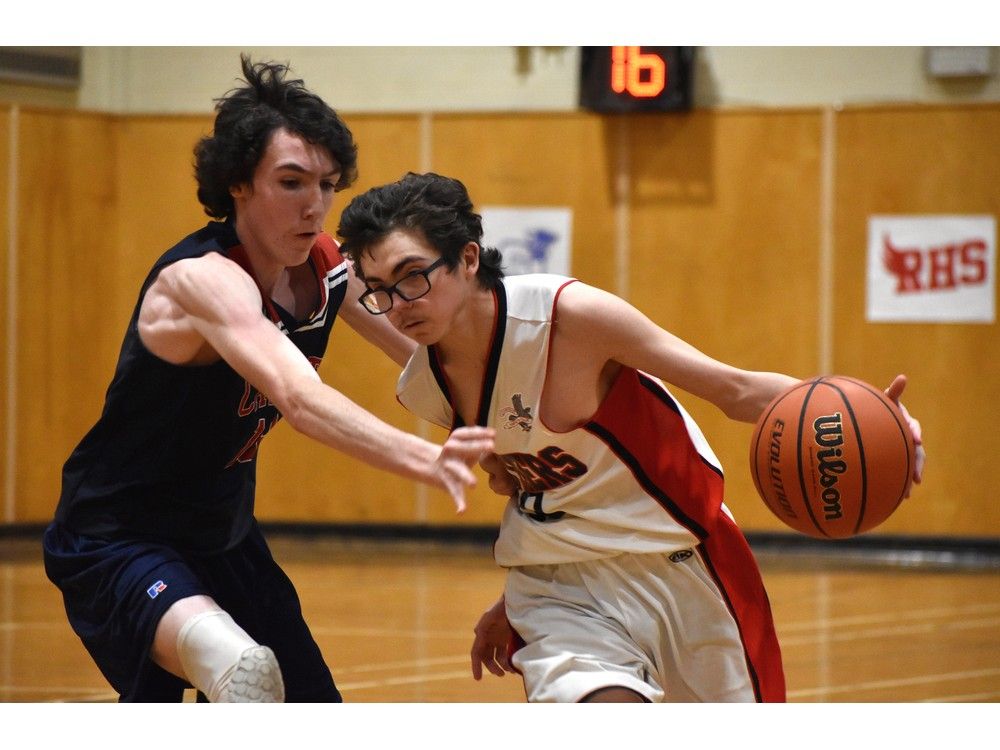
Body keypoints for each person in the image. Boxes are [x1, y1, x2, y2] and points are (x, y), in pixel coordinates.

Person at [336, 171, 926, 703]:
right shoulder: (428, 380)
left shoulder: (570, 319)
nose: (397, 304)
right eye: (379, 288)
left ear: (467, 258)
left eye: (411, 277)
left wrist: (882, 424)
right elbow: (536, 488)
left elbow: (735, 389)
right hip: (560, 591)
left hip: (683, 566)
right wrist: (517, 600)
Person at [41, 60, 494, 703]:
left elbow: (432, 360)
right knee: (241, 668)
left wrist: (510, 424)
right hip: (120, 535)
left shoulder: (327, 268)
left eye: (327, 185)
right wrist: (430, 459)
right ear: (238, 185)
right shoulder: (202, 280)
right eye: (290, 182)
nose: (314, 205)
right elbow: (300, 400)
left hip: (224, 536)